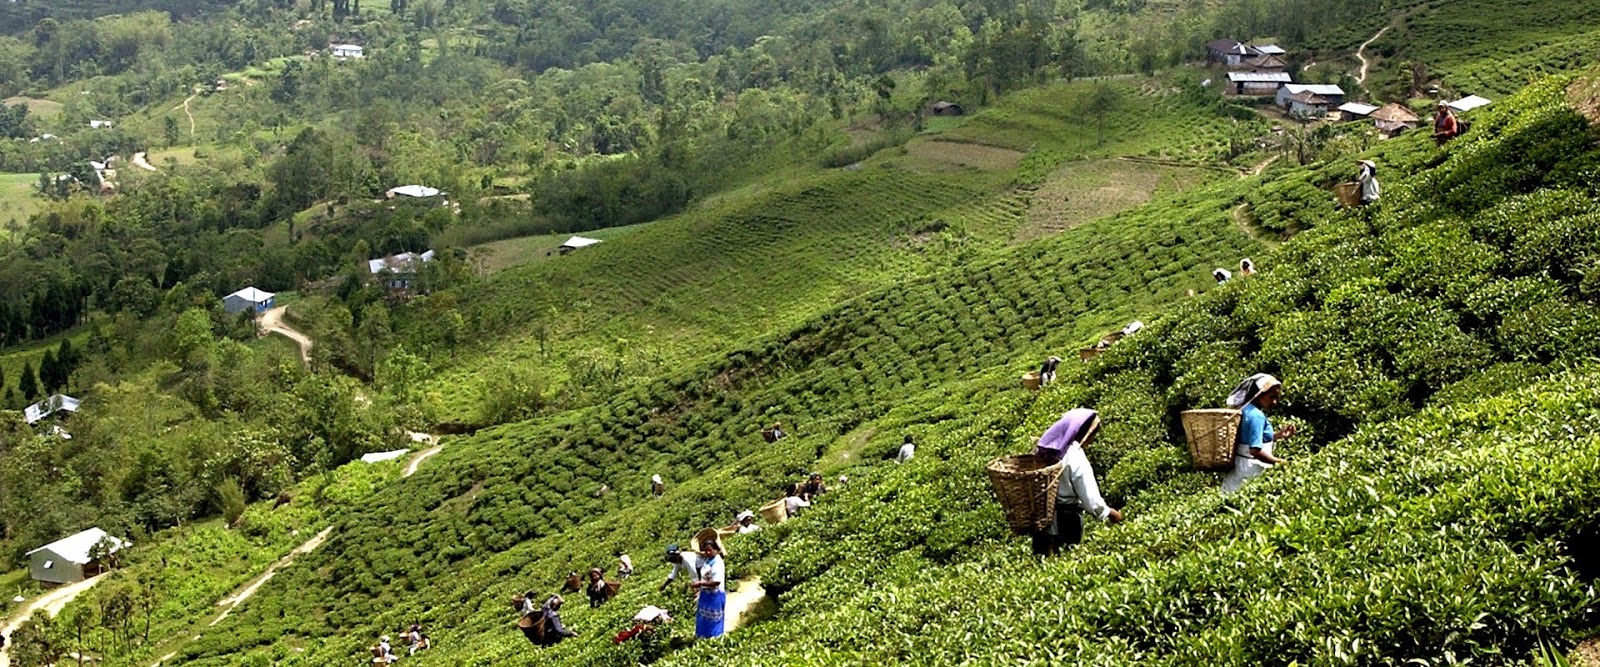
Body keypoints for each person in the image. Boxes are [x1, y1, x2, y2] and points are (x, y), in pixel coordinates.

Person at [1030, 408, 1123, 555]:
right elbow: (1089, 498)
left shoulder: (1045, 450)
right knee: (1065, 564)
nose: (1091, 440)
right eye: (1092, 435)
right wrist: (1108, 512)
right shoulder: (1074, 454)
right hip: (1066, 522)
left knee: (1041, 565)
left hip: (1041, 522)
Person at [1221, 373, 1295, 494]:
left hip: (1238, 469)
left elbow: (1250, 438)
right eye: (1272, 397)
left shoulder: (1244, 409)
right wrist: (1280, 462)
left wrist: (1278, 435)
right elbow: (1255, 450)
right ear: (1259, 395)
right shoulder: (1257, 416)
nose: (1275, 402)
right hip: (1251, 469)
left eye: (1277, 398)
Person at [690, 529, 728, 640]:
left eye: (710, 550)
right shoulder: (708, 560)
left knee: (714, 620)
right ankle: (702, 639)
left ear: (716, 550)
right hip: (706, 595)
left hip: (715, 596)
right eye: (705, 551)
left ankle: (715, 639)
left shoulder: (718, 562)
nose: (707, 553)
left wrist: (701, 583)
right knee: (703, 619)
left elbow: (717, 582)